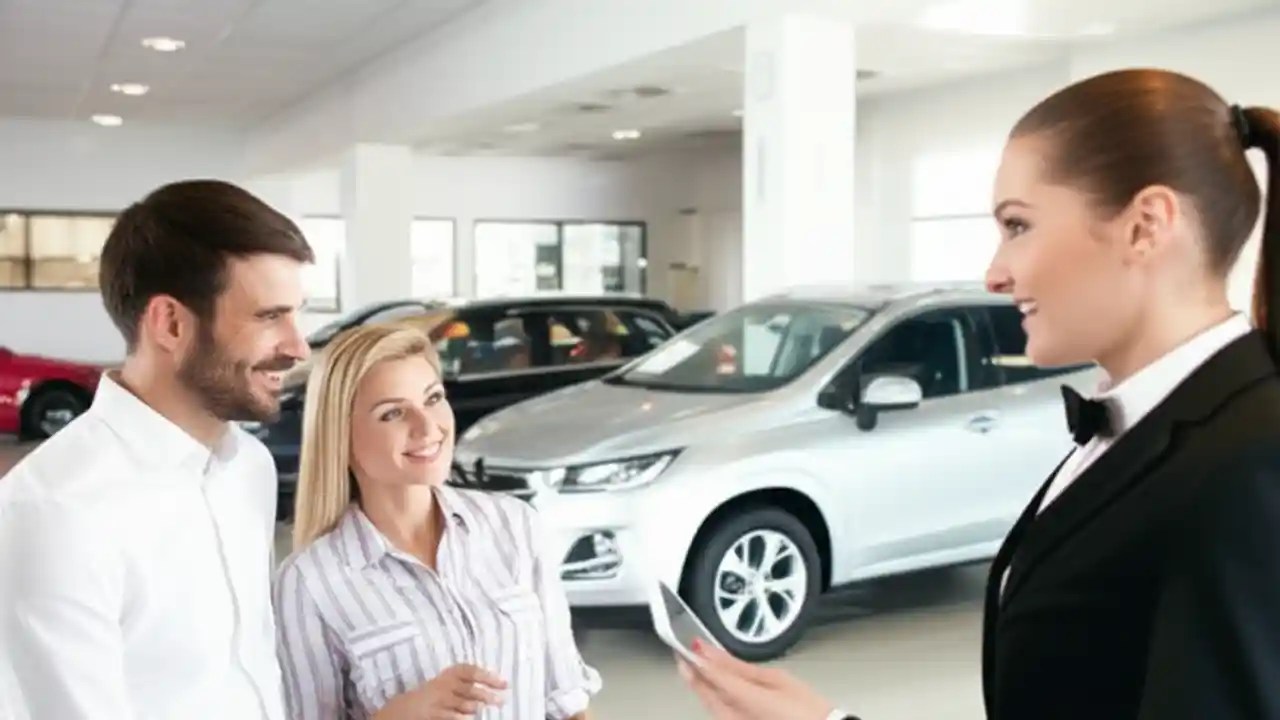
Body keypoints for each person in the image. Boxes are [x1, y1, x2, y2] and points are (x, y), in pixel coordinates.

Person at [680, 68, 1280, 720]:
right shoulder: (1157, 425)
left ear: (1145, 226)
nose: (994, 275)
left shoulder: (1250, 461)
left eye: (1017, 226)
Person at [0, 179, 314, 719]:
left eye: (296, 314)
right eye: (269, 317)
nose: (298, 346)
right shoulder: (54, 511)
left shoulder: (249, 467)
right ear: (170, 323)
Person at [274, 323, 601, 720]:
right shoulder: (309, 582)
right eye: (393, 413)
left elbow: (567, 699)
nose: (428, 427)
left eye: (433, 398)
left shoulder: (514, 525)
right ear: (339, 436)